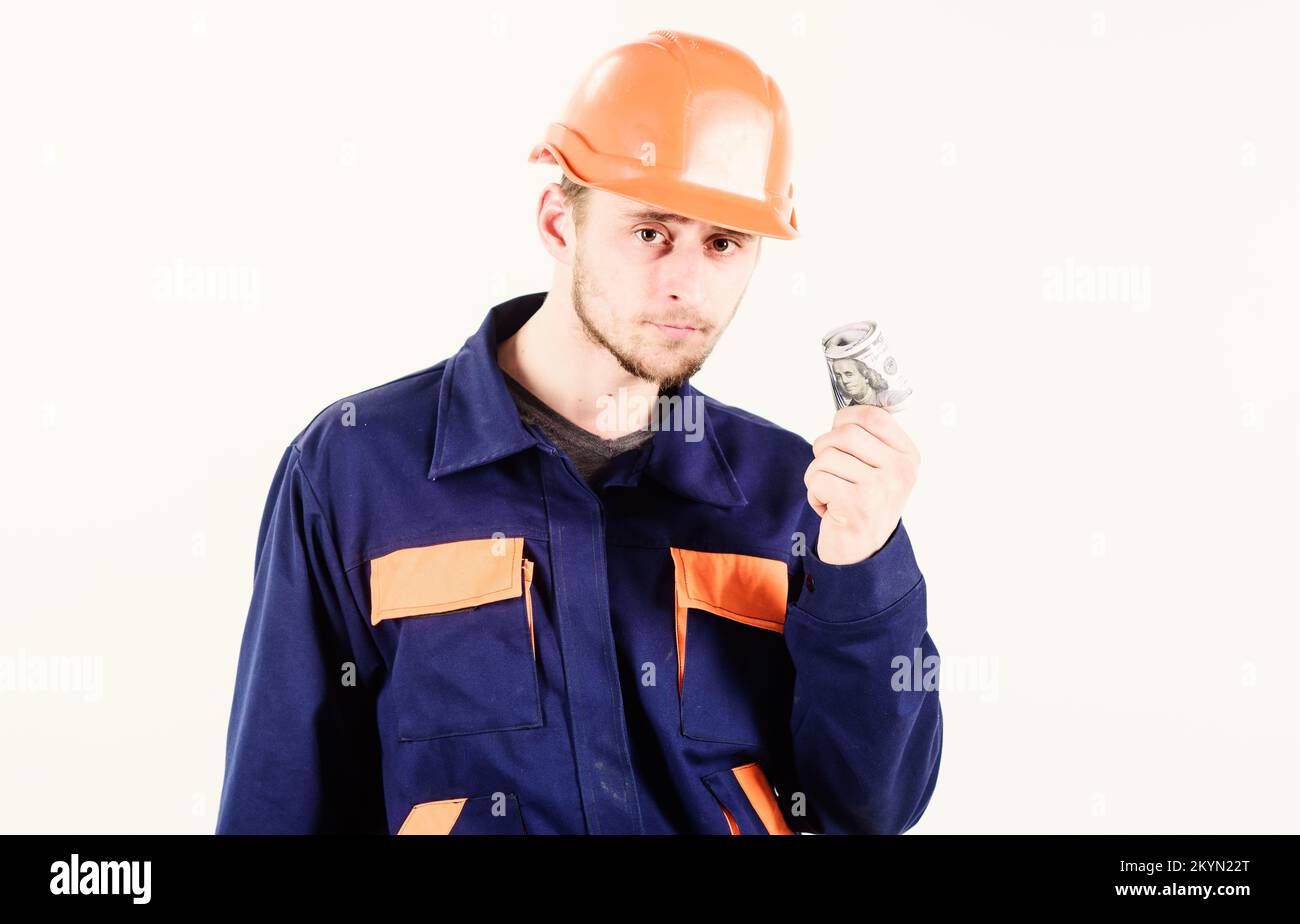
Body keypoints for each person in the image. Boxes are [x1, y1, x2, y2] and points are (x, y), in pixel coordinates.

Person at [215, 28, 942, 835]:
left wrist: (861, 568)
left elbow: (867, 806)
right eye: (650, 232)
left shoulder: (792, 493)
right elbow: (279, 803)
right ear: (560, 224)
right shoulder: (356, 472)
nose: (686, 283)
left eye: (724, 243)